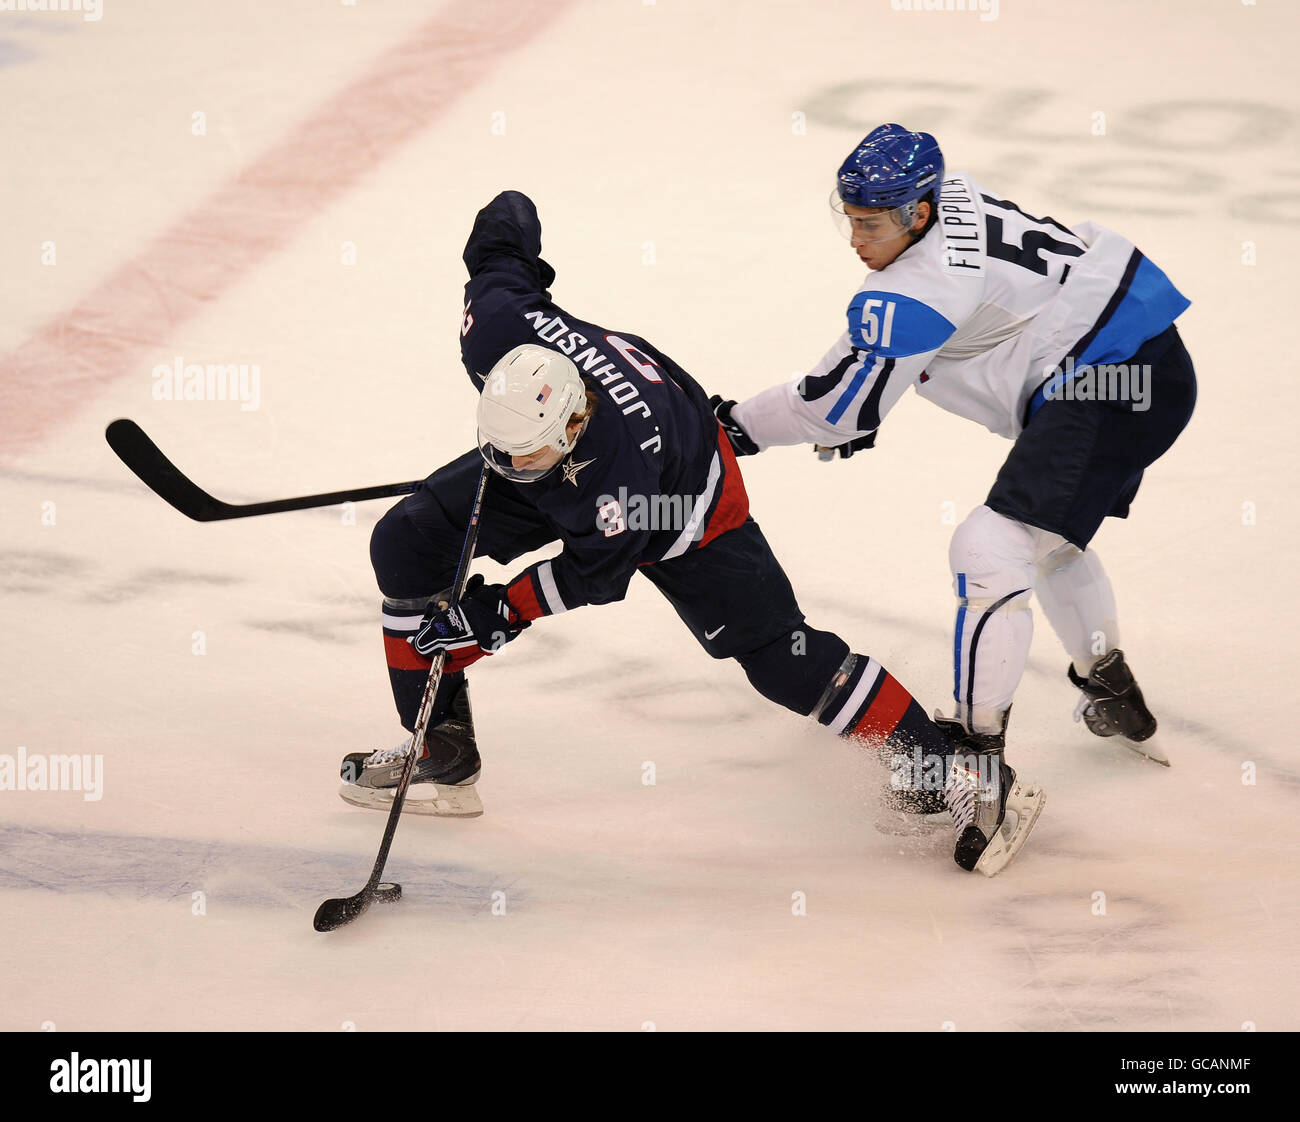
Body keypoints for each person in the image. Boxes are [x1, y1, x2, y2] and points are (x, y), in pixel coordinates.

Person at [338, 190, 1046, 875]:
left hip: (683, 508)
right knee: (406, 539)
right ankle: (440, 749)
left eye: (525, 455)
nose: (512, 466)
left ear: (575, 423)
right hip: (569, 473)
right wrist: (500, 234)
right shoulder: (501, 332)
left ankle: (956, 776)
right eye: (504, 450)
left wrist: (497, 614)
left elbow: (593, 573)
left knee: (782, 658)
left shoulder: (620, 476)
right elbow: (507, 228)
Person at [711, 124, 1196, 767]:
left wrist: (733, 427)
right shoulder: (954, 196)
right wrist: (874, 387)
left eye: (870, 225)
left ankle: (977, 750)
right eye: (850, 221)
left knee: (990, 547)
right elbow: (908, 349)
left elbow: (834, 410)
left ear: (917, 213)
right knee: (1047, 539)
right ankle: (1110, 686)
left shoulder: (918, 289)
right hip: (1149, 362)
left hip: (1104, 379)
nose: (856, 240)